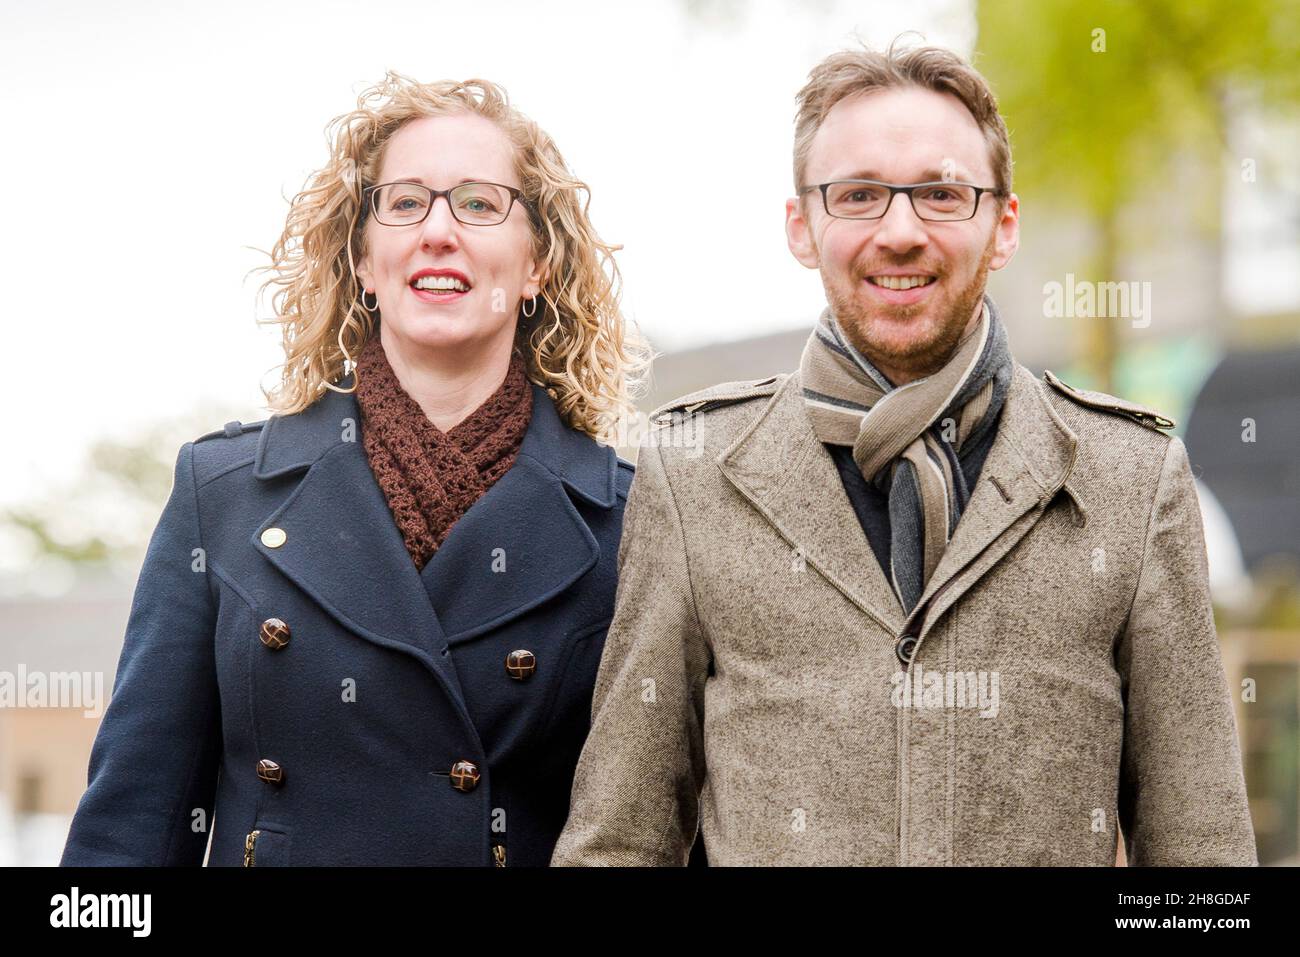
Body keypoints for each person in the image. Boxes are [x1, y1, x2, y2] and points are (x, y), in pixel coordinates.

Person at [551, 42, 1256, 866]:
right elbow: (620, 842)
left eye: (941, 193)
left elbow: (1204, 870)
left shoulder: (1132, 479)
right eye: (857, 196)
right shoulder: (691, 472)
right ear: (801, 227)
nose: (900, 231)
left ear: (1004, 226)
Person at [61, 71, 648, 866]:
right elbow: (127, 832)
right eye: (405, 202)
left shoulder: (631, 520)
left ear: (538, 264)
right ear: (366, 262)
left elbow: (662, 829)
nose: (439, 229)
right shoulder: (223, 493)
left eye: (479, 203)